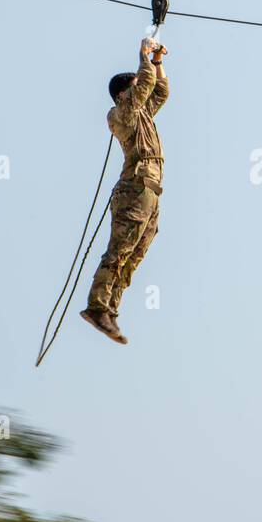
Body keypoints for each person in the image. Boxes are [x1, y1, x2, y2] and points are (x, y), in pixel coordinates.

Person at [80, 37, 170, 344]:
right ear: (124, 93)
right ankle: (97, 306)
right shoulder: (122, 113)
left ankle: (110, 311)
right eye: (133, 89)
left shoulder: (140, 114)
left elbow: (160, 91)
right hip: (135, 189)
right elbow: (145, 85)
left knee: (134, 255)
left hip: (151, 190)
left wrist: (157, 62)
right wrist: (144, 56)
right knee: (119, 252)